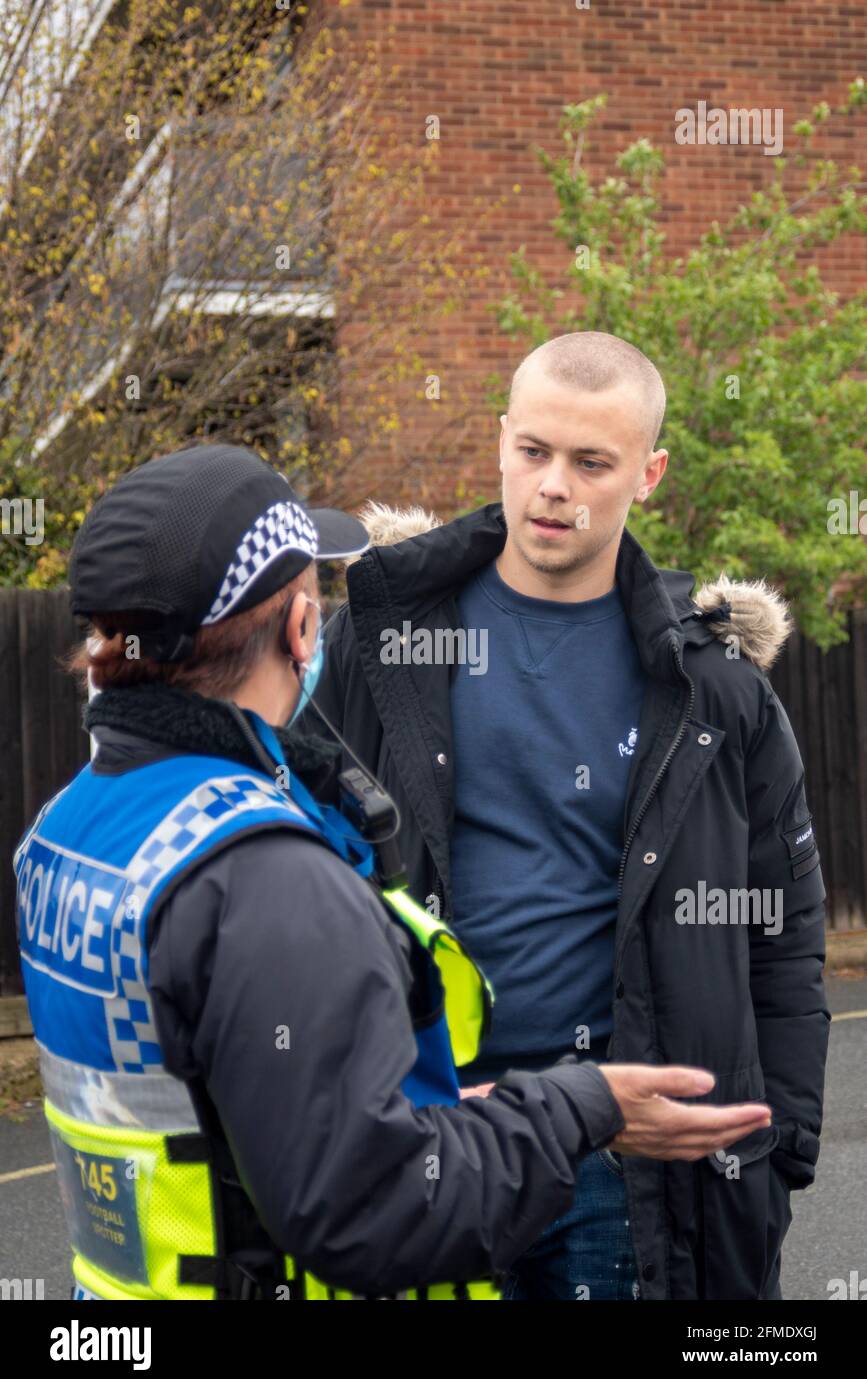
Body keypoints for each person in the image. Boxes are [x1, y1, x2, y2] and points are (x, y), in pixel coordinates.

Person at [13, 442, 773, 1302]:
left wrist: (435, 1108)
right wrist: (578, 1107)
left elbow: (223, 1104)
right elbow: (374, 1215)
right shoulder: (267, 877)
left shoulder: (70, 825)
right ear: (301, 631)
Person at [298, 332, 830, 1301]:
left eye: (591, 462)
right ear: (500, 440)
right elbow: (296, 866)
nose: (553, 485)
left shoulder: (714, 691)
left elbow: (785, 937)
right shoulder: (384, 641)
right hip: (428, 1125)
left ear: (650, 472)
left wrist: (778, 1150)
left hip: (618, 1149)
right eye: (534, 450)